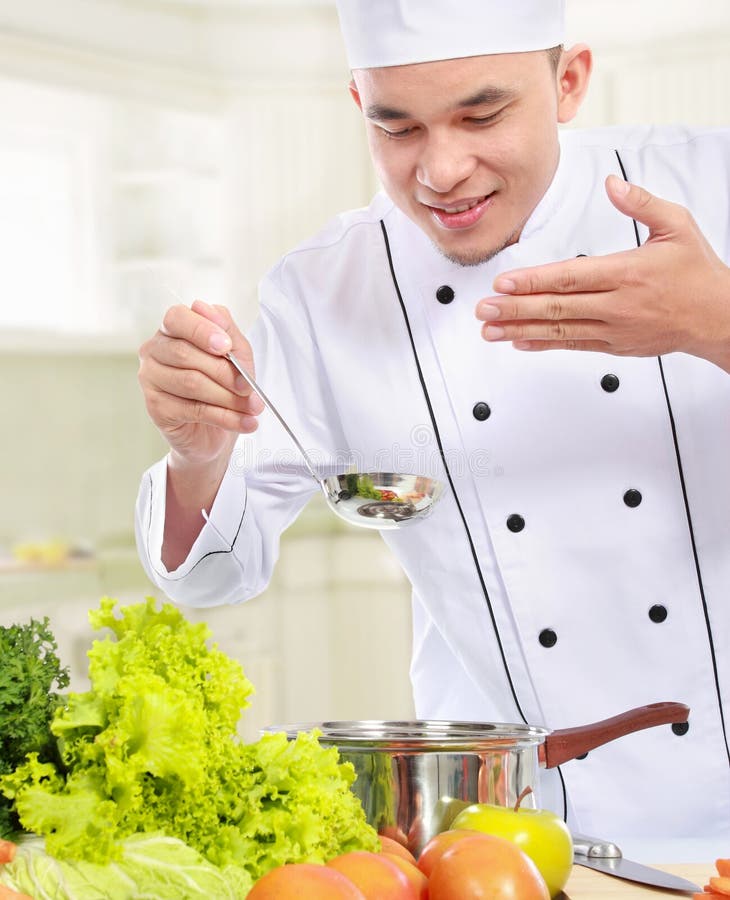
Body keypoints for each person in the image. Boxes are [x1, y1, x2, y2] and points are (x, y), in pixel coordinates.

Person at [136, 0, 730, 850]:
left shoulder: (713, 185)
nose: (441, 170)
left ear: (568, 82)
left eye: (481, 115)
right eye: (398, 127)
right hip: (497, 832)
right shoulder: (324, 292)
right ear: (358, 108)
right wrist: (199, 455)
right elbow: (208, 577)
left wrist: (719, 320)